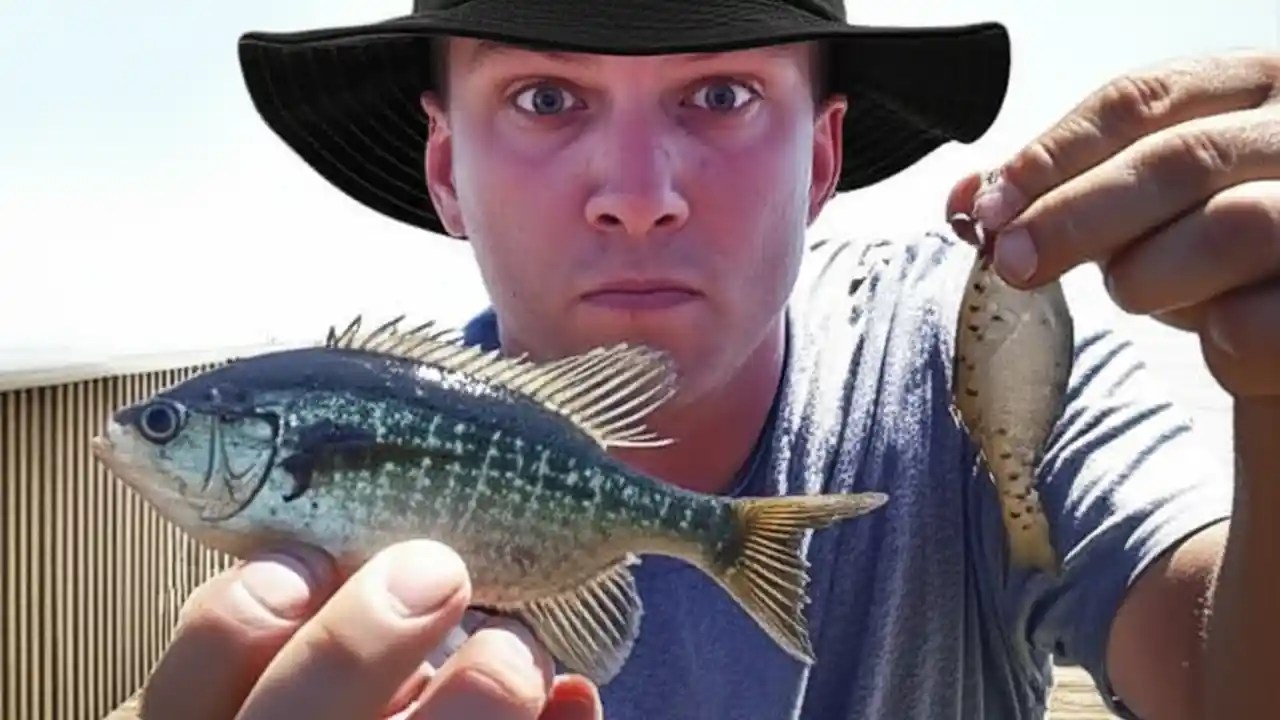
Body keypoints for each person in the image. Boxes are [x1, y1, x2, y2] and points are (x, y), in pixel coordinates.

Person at [121, 2, 1279, 719]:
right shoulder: (314, 572)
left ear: (818, 160)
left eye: (720, 94)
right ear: (443, 168)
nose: (638, 196)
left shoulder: (975, 374)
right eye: (544, 96)